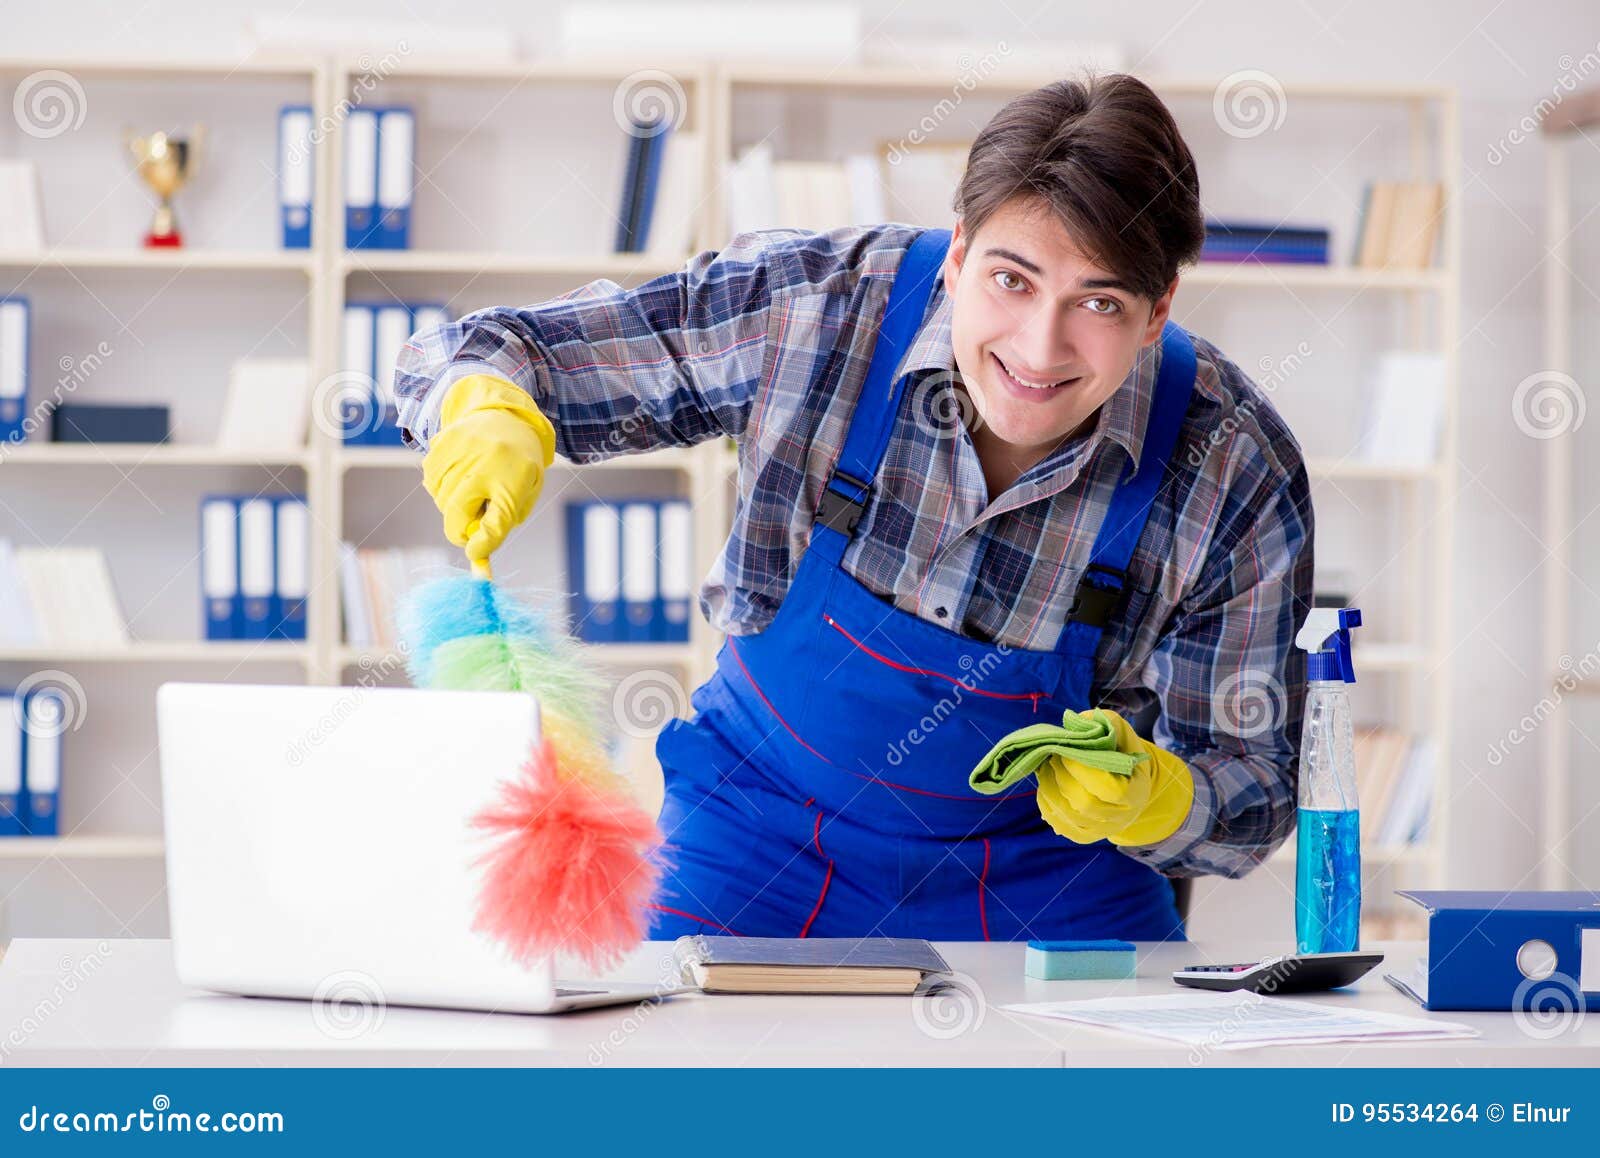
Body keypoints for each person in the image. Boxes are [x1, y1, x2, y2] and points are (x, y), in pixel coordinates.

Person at [396, 73, 1315, 942]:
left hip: (1054, 881)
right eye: (1011, 279)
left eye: (1099, 303)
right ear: (958, 255)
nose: (1040, 346)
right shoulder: (819, 309)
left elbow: (1255, 789)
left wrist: (1161, 800)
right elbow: (495, 350)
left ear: (1158, 313)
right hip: (754, 834)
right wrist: (482, 401)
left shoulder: (1232, 469)